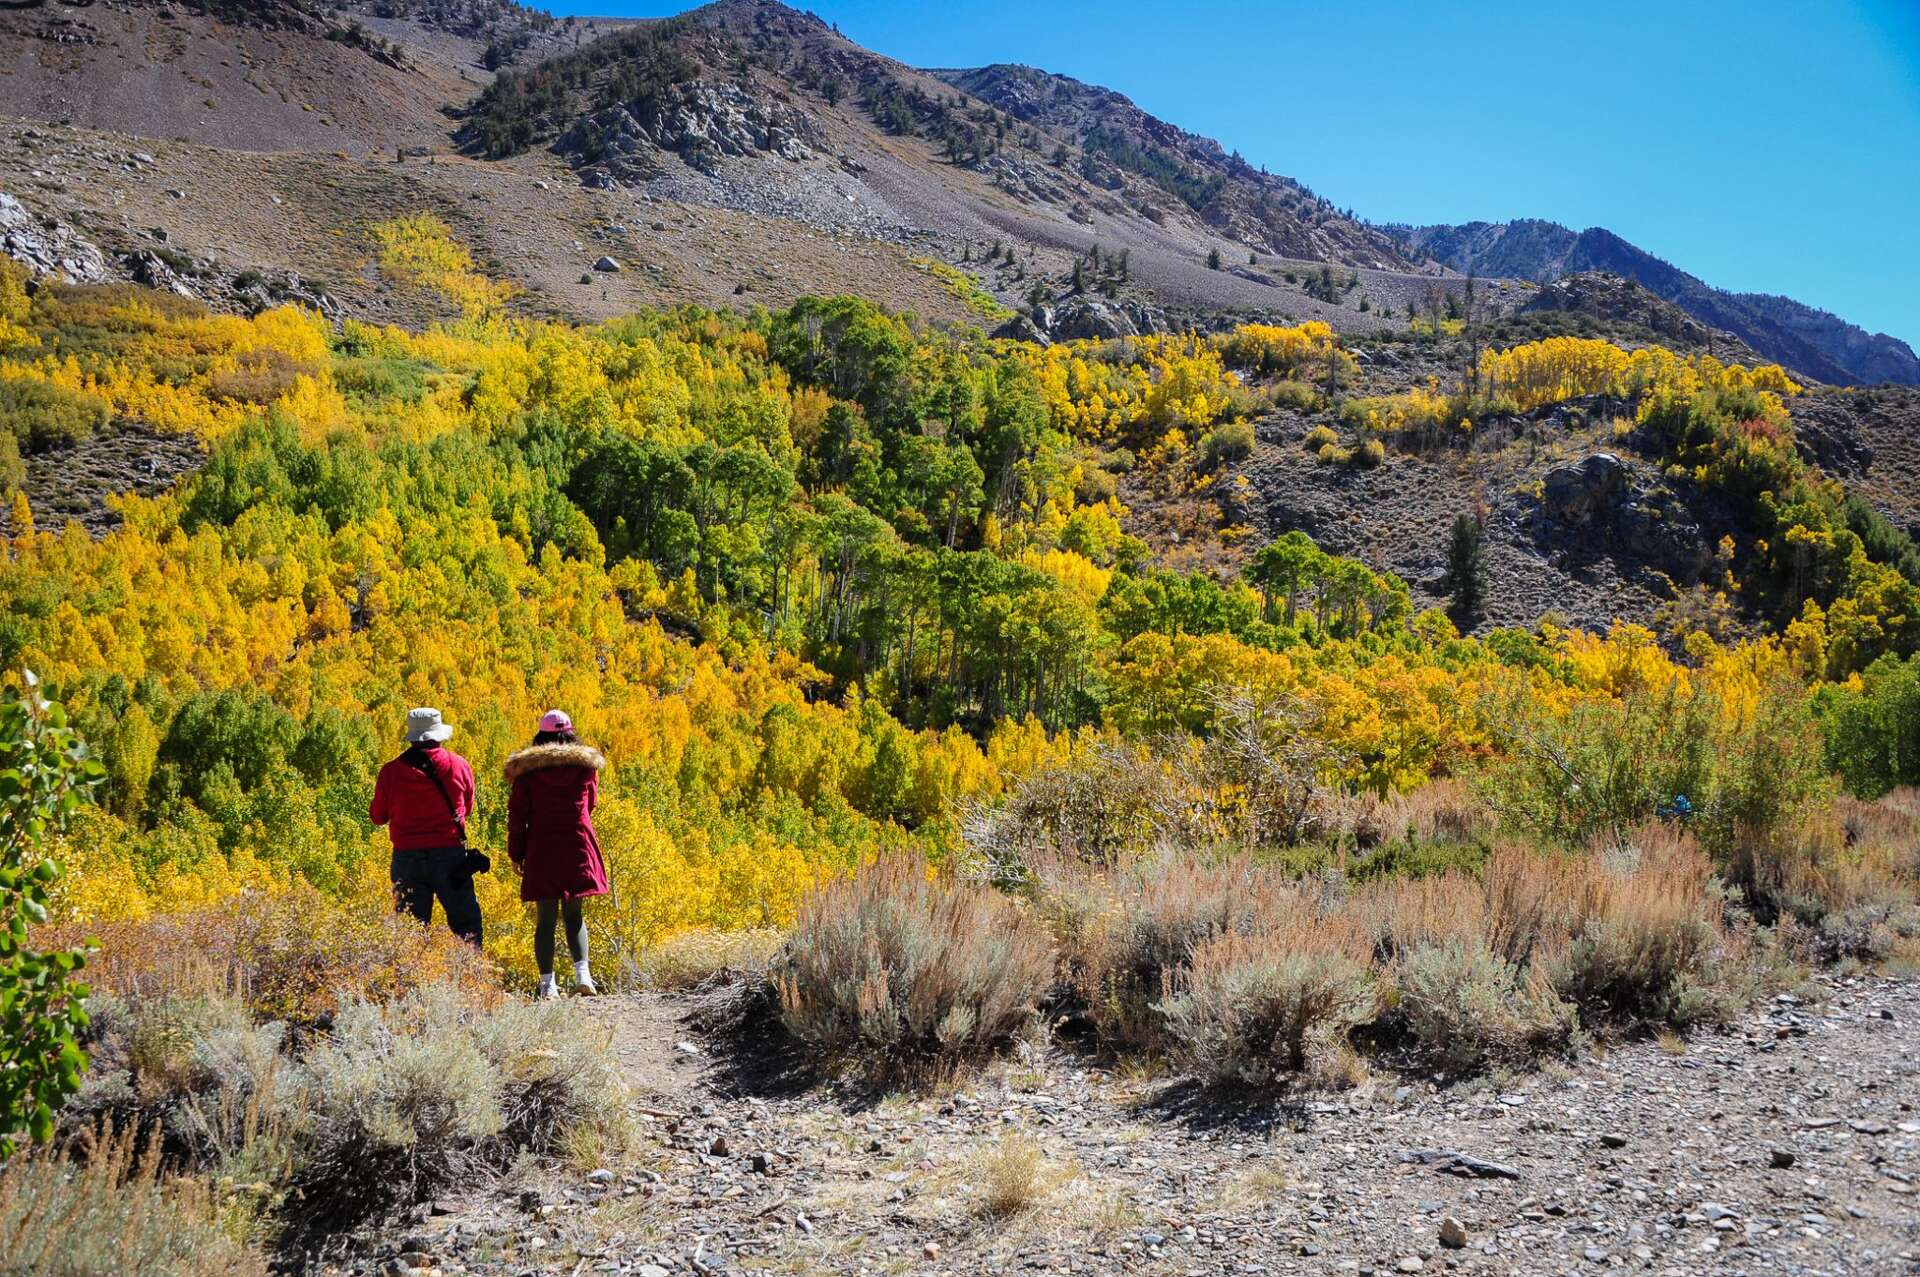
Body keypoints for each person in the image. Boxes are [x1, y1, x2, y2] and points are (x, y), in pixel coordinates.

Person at [504, 710, 609, 997]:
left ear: (541, 736)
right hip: (577, 843)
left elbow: (518, 816)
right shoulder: (586, 769)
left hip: (542, 846)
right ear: (571, 734)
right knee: (575, 915)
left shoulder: (528, 773)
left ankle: (547, 986)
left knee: (546, 919)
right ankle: (583, 975)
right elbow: (591, 806)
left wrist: (517, 853)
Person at [370, 707, 482, 945]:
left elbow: (377, 816)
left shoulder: (390, 772)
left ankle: (412, 980)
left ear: (412, 736)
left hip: (406, 859)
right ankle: (473, 979)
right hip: (451, 857)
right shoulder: (459, 765)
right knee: (466, 928)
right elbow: (467, 810)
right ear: (439, 734)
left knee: (411, 932)